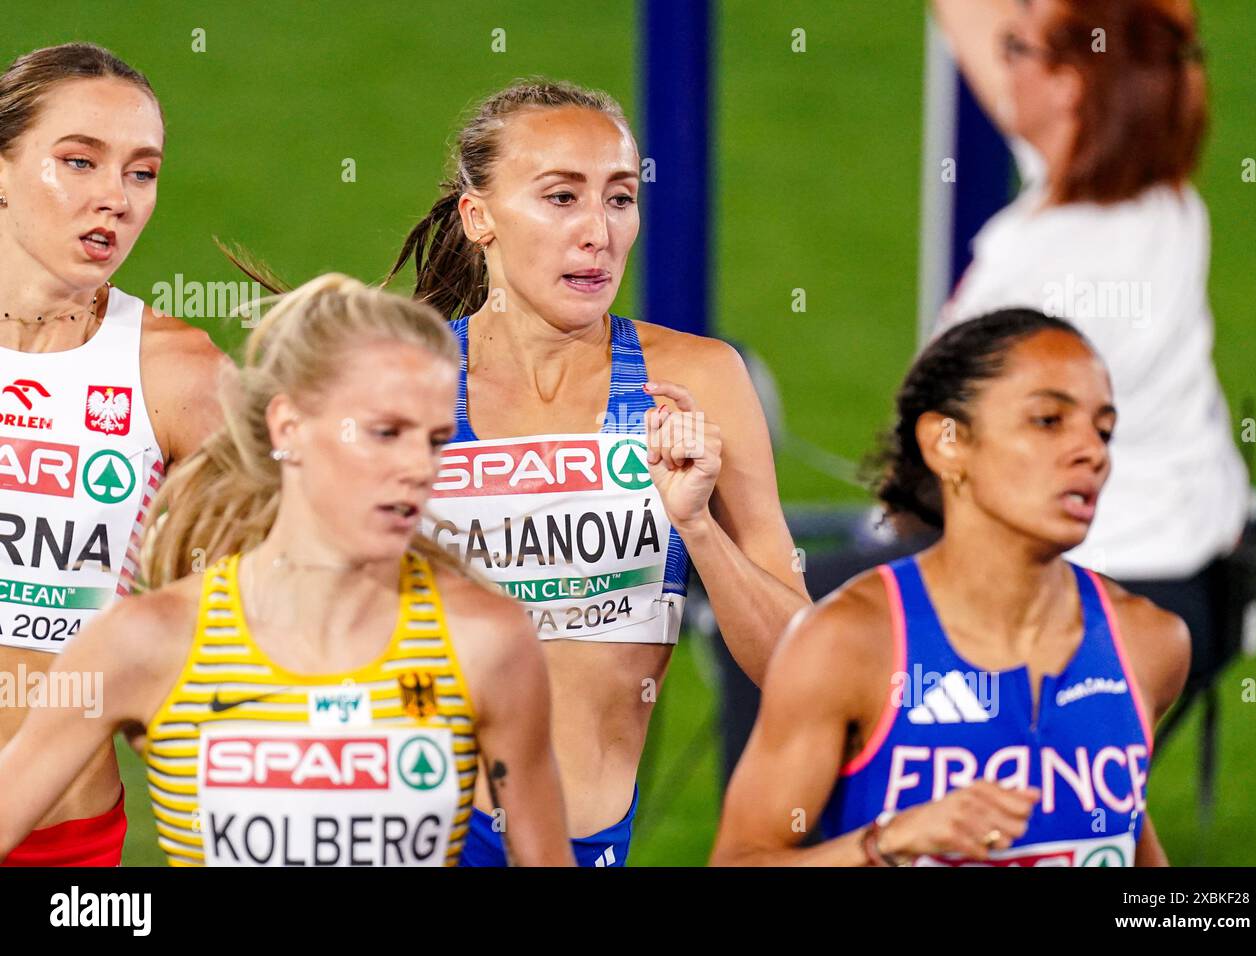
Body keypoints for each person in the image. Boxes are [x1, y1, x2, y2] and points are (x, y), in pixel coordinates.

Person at [0, 275, 574, 867]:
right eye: (384, 433)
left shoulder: (486, 641)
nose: (416, 468)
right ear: (288, 427)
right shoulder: (147, 642)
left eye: (434, 441)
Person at [384, 80, 811, 866]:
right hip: (408, 831)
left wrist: (697, 529)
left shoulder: (700, 379)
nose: (598, 233)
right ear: (480, 218)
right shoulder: (400, 379)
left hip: (584, 842)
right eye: (560, 197)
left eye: (619, 199)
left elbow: (798, 663)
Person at [711, 310, 1190, 866]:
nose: (1092, 452)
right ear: (947, 444)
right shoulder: (849, 643)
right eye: (1048, 421)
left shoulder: (1149, 643)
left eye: (1103, 429)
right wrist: (887, 842)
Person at [930, 0, 1252, 689]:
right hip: (1187, 584)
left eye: (1021, 48)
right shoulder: (1161, 193)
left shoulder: (1036, 263)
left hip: (1077, 601)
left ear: (1067, 87)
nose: (1003, 58)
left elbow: (943, 437)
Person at [0, 42, 228, 866]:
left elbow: (278, 591)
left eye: (141, 172)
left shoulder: (180, 372)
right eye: (78, 161)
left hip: (63, 843)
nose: (115, 198)